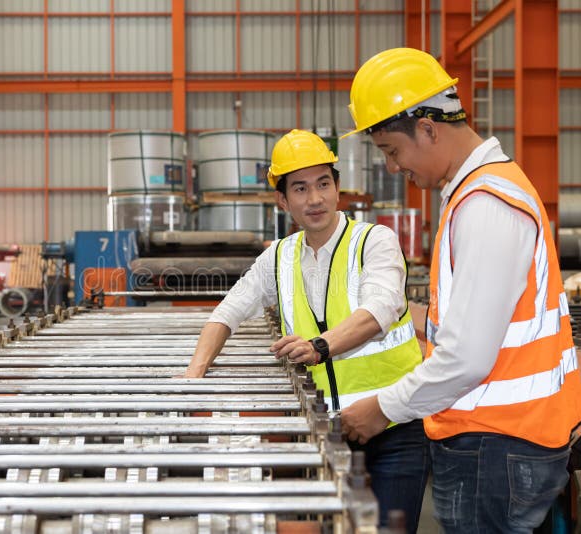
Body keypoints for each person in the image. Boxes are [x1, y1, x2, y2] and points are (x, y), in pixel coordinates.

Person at [339, 47, 581, 533]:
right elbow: (480, 324)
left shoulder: (487, 205)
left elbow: (467, 357)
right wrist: (400, 313)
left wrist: (381, 409)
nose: (392, 168)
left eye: (392, 151)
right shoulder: (480, 194)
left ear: (428, 130)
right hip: (502, 444)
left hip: (497, 446)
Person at [184, 128, 429, 532]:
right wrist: (194, 374)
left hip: (393, 422)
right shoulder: (277, 258)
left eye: (323, 184)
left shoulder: (374, 241)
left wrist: (320, 345)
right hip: (323, 429)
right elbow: (225, 313)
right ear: (282, 200)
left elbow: (380, 308)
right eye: (299, 188)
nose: (314, 198)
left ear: (338, 189)